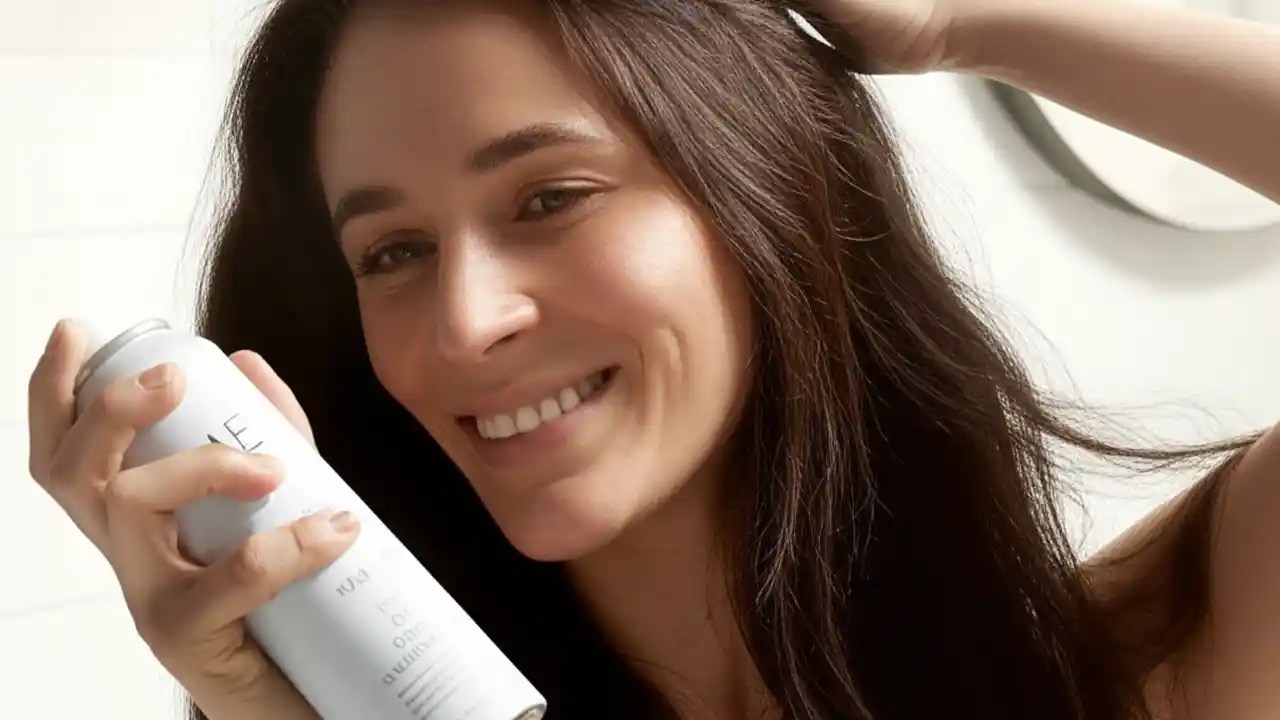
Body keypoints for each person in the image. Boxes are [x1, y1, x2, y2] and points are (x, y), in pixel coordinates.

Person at [24, 0, 1280, 718]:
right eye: (393, 252)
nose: (463, 323)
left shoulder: (1137, 666)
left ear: (765, 206)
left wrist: (963, 23)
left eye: (547, 197)